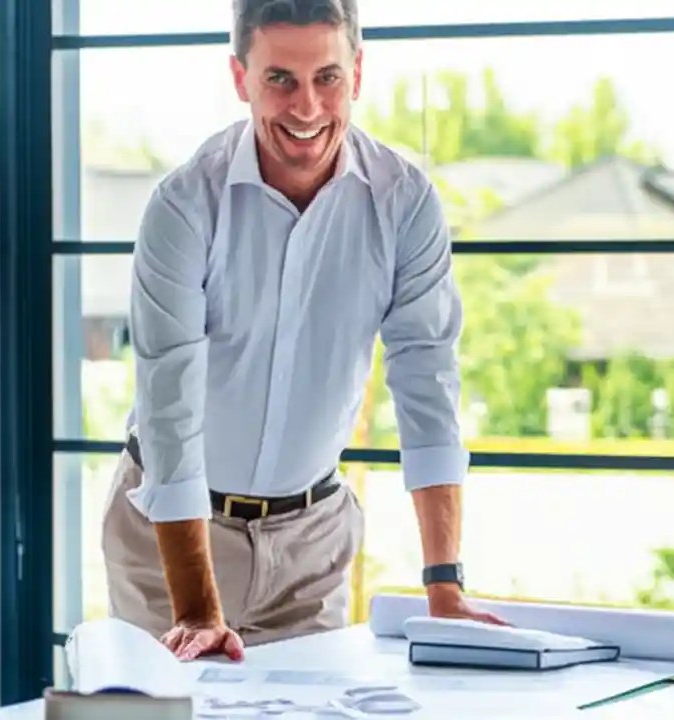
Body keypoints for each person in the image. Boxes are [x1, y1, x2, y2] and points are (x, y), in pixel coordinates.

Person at [101, 0, 505, 662]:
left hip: (310, 548)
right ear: (241, 78)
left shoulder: (404, 203)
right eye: (280, 79)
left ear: (358, 73)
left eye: (327, 77)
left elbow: (427, 382)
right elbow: (168, 409)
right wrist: (197, 609)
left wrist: (443, 585)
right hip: (167, 542)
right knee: (173, 706)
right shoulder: (184, 203)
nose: (308, 107)